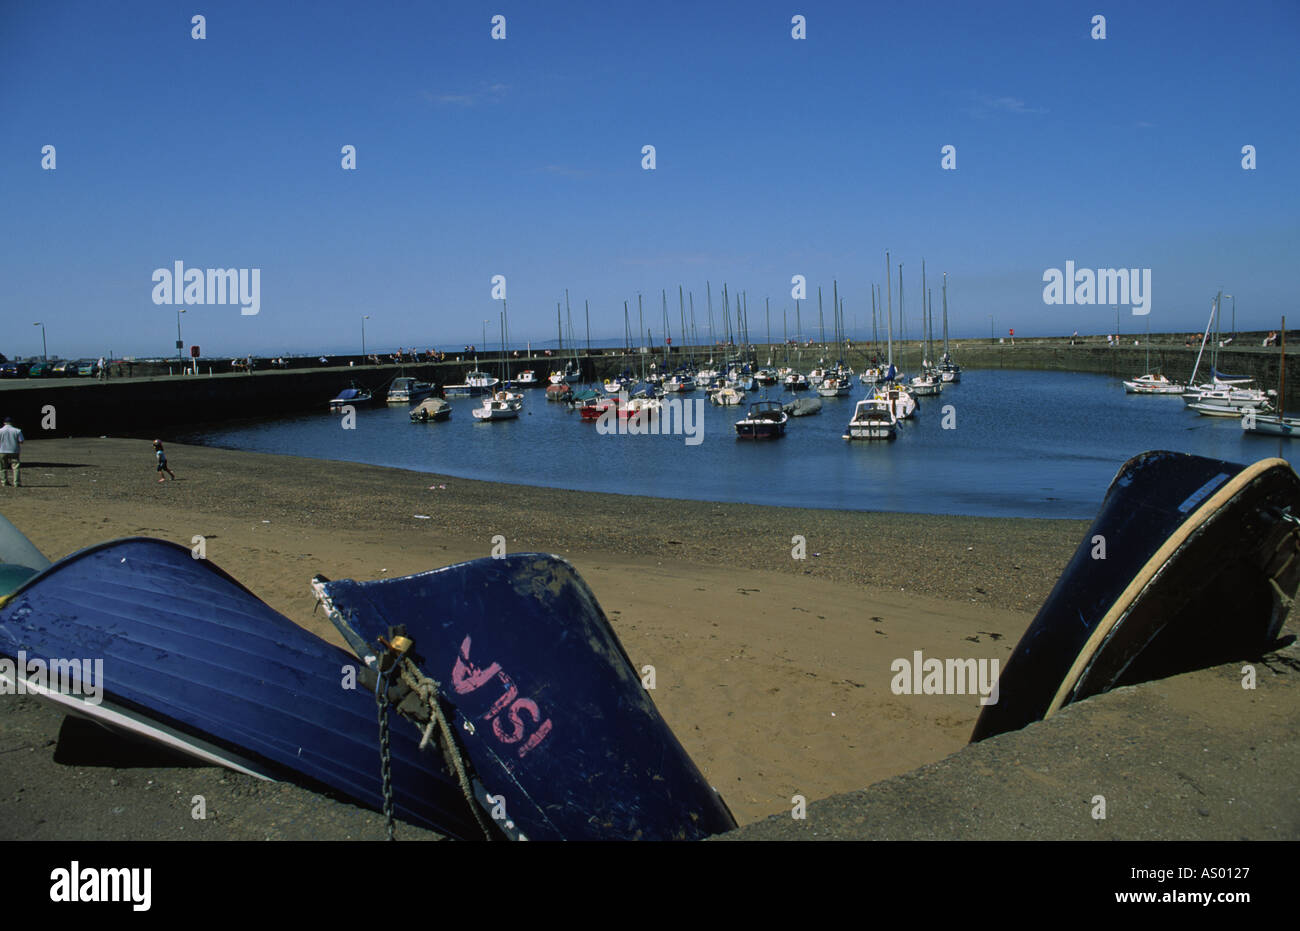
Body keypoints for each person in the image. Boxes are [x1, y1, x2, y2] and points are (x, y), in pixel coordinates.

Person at [0, 417, 23, 488]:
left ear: (4, 423)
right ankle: (16, 483)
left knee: (2, 467)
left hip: (2, 451)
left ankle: (4, 482)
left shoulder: (0, 431)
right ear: (12, 423)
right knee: (16, 467)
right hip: (14, 451)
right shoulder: (17, 430)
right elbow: (21, 441)